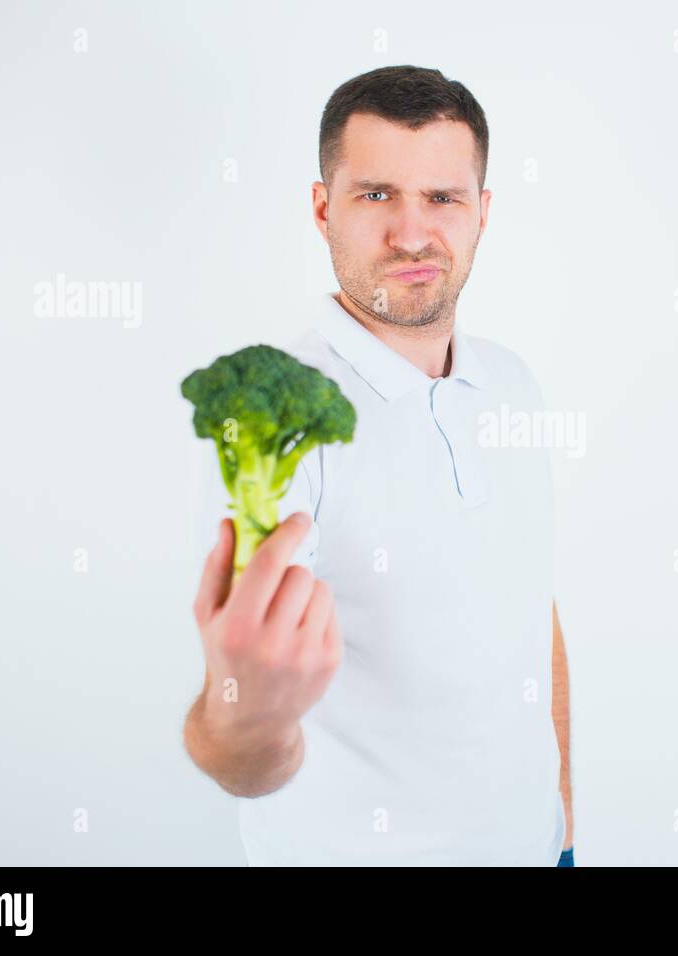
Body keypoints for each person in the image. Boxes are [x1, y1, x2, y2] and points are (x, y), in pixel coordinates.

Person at [183, 65, 574, 866]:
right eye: (375, 196)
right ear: (323, 208)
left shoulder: (512, 382)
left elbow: (536, 618)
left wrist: (563, 820)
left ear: (482, 213)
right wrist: (245, 717)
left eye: (443, 198)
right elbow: (237, 740)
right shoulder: (271, 420)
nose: (411, 233)